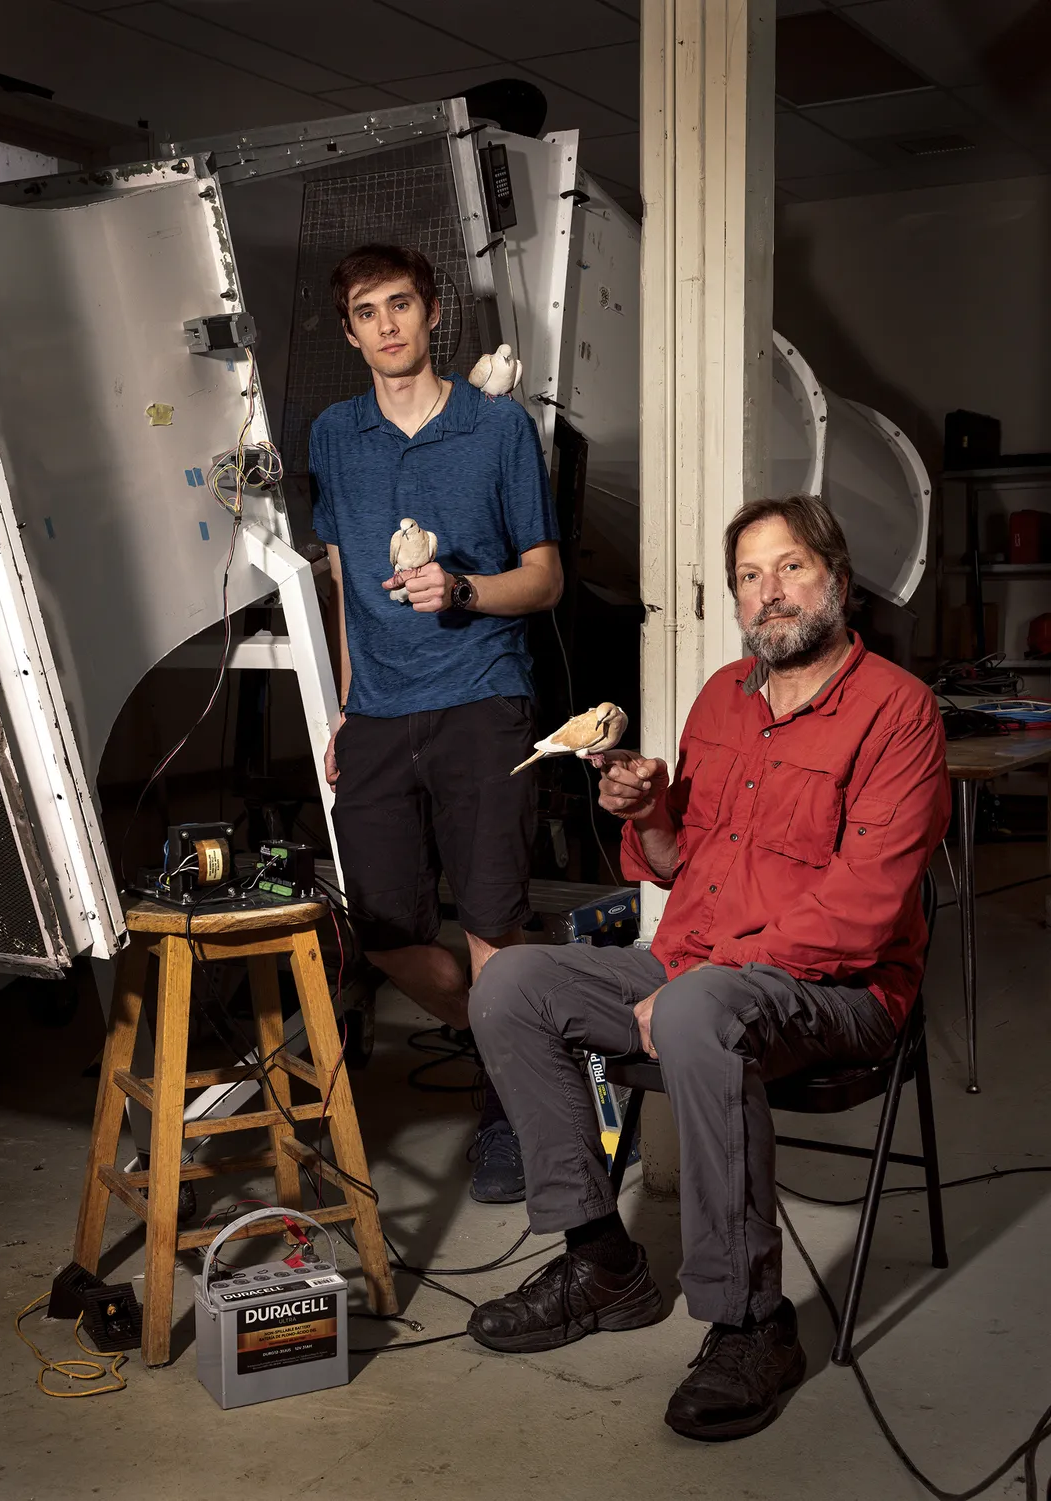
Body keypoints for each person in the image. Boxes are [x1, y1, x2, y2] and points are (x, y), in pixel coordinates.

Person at [468, 493, 951, 1441]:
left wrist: (699, 979)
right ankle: (603, 1261)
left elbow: (860, 916)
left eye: (790, 568)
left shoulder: (899, 713)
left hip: (839, 993)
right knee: (510, 984)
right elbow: (677, 864)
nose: (768, 593)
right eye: (747, 576)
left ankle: (751, 1325)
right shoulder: (721, 698)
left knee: (696, 1011)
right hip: (694, 967)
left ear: (839, 582)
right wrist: (646, 808)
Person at [309, 243, 562, 1204]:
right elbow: (340, 578)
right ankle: (515, 1037)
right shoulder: (334, 435)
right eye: (368, 311)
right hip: (377, 710)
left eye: (401, 305)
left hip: (481, 697)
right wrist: (343, 701)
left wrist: (460, 588)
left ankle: (508, 1104)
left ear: (433, 312)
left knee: (494, 921)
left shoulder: (496, 429)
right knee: (378, 928)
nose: (387, 325)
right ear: (351, 332)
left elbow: (545, 578)